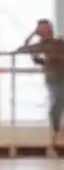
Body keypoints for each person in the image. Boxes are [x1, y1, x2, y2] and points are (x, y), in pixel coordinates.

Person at [17, 19, 64, 156]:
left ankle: (54, 138)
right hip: (54, 80)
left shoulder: (59, 43)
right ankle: (53, 141)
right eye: (45, 30)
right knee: (58, 104)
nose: (49, 32)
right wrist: (33, 34)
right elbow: (22, 49)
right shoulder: (41, 46)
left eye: (49, 29)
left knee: (58, 104)